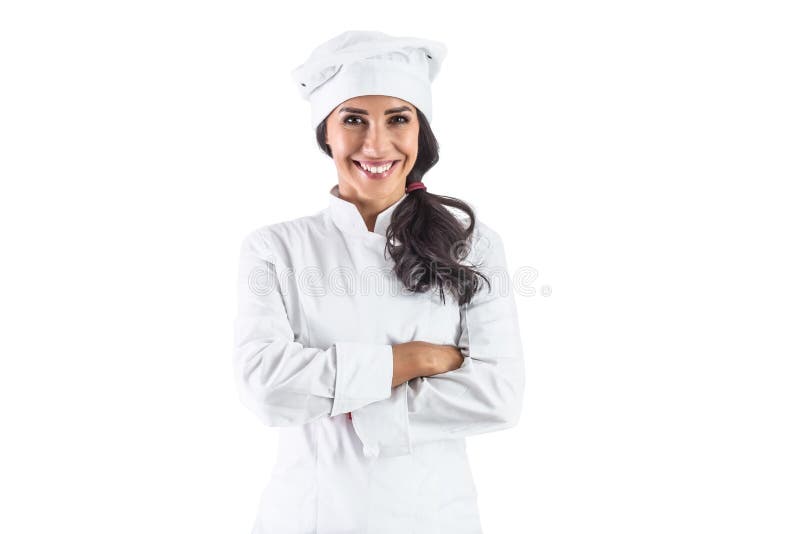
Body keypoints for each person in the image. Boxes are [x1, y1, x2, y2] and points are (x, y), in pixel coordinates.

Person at [233, 30, 525, 534]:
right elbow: (266, 390)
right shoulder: (275, 249)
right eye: (353, 120)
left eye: (397, 119)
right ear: (326, 133)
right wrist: (416, 360)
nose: (376, 144)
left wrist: (347, 400)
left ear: (420, 132)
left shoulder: (472, 246)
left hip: (436, 519)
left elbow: (497, 396)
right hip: (306, 517)